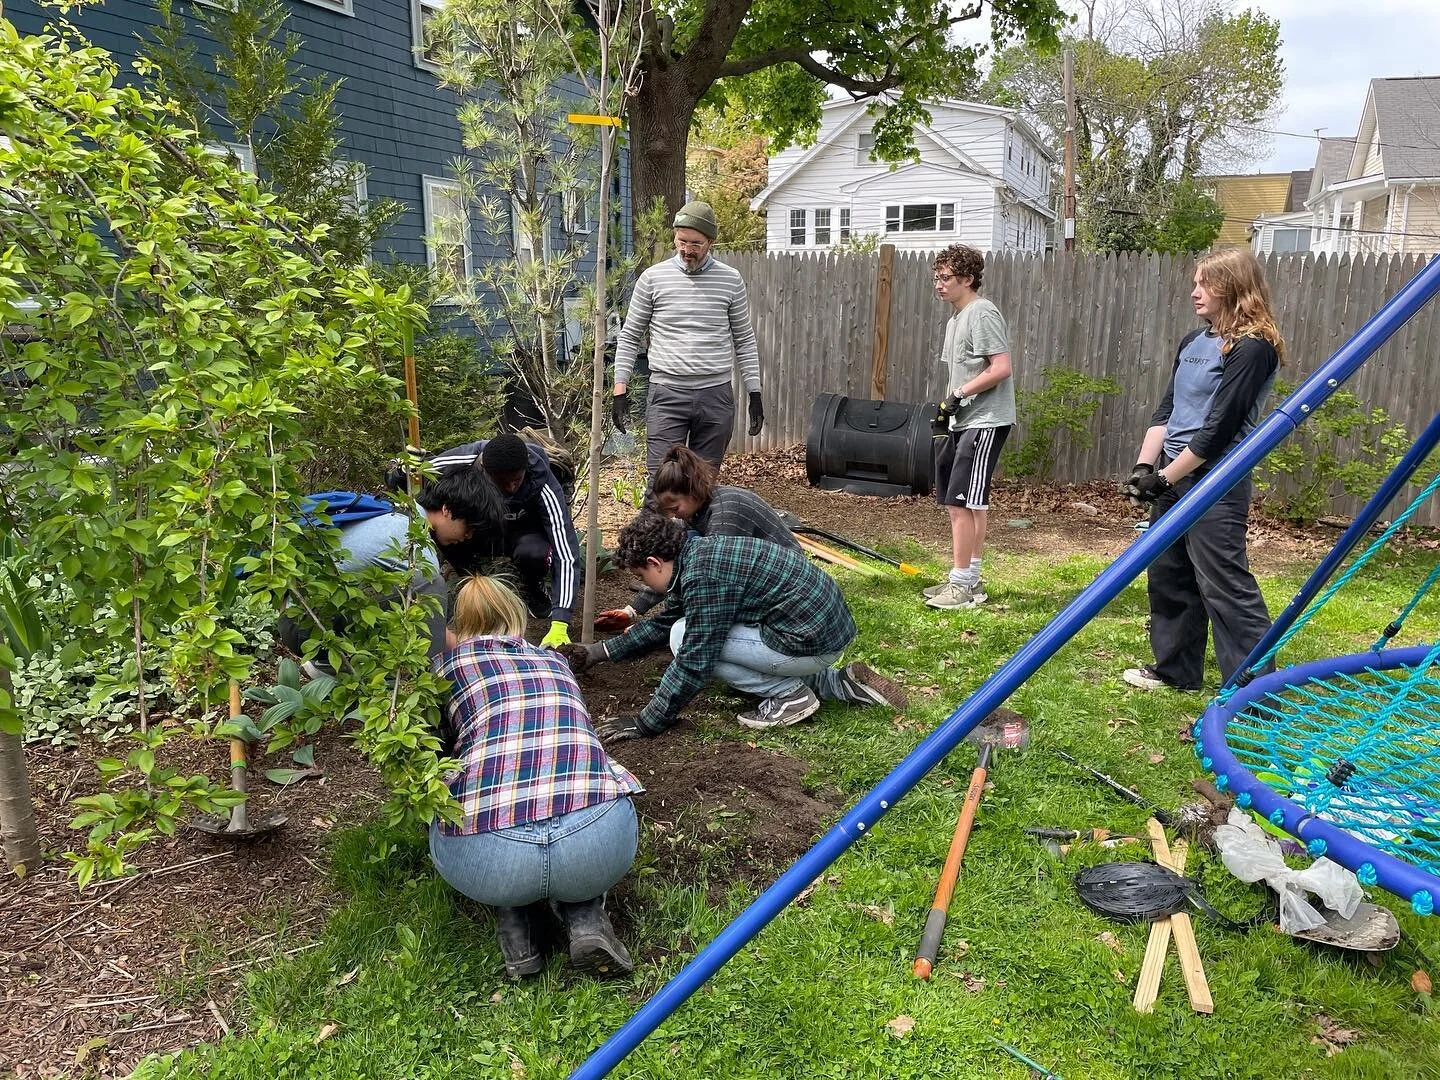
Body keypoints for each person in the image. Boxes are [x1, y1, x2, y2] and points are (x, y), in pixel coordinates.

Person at [428, 575, 643, 979]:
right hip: (597, 841)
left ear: (459, 627)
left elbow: (434, 751)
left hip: (491, 860)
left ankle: (517, 924)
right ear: (519, 619)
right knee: (590, 778)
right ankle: (585, 920)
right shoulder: (555, 662)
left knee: (441, 791)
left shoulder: (441, 672)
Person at [565, 511, 907, 738]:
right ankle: (837, 682)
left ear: (655, 563)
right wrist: (596, 652)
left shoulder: (704, 574)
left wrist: (646, 722)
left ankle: (788, 695)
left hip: (808, 639)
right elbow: (664, 619)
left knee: (685, 638)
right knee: (679, 627)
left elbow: (696, 661)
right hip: (818, 634)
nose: (644, 583)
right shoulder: (697, 553)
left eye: (641, 575)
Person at [1120, 248, 1283, 692]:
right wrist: (1143, 467)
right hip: (1171, 474)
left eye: (1204, 284)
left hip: (1217, 482)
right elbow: (1168, 409)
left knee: (1224, 584)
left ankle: (1253, 695)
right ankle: (1176, 671)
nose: (1194, 292)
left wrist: (1165, 477)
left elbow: (1218, 430)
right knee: (1170, 573)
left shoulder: (1253, 349)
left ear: (1232, 288)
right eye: (1195, 283)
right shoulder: (1194, 342)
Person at [610, 201, 765, 475]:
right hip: (667, 394)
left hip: (715, 396)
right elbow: (630, 336)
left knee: (702, 486)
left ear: (711, 242)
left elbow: (744, 339)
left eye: (696, 244)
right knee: (662, 482)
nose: (687, 250)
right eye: (681, 241)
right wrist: (619, 390)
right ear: (674, 236)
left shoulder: (730, 280)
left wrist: (755, 393)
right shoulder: (652, 279)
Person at [594, 445, 799, 632]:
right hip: (756, 577)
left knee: (689, 627)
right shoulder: (694, 515)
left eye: (675, 507)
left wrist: (658, 630)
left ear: (692, 490)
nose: (674, 515)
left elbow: (713, 581)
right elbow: (673, 569)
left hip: (785, 586)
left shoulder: (726, 512)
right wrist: (632, 611)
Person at [923, 244, 1015, 612]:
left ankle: (961, 586)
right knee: (967, 502)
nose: (939, 284)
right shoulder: (956, 318)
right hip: (965, 421)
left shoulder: (982, 312)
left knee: (959, 502)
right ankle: (969, 579)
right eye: (936, 277)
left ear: (968, 279)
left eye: (945, 278)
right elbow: (962, 374)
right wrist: (947, 409)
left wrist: (958, 394)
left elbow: (1001, 367)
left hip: (986, 421)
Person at [424, 435, 581, 648]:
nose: (510, 487)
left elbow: (565, 547)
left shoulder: (541, 481)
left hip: (524, 533)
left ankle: (532, 587)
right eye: (502, 481)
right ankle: (472, 587)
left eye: (516, 480)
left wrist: (560, 620)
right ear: (485, 470)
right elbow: (418, 472)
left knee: (533, 552)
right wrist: (398, 472)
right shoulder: (464, 460)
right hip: (480, 529)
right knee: (449, 530)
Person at [277, 500, 449, 672]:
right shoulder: (415, 541)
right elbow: (426, 609)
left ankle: (333, 666)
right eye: (469, 528)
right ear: (447, 510)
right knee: (432, 587)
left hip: (297, 614)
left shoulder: (392, 511)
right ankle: (428, 679)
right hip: (306, 626)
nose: (468, 536)